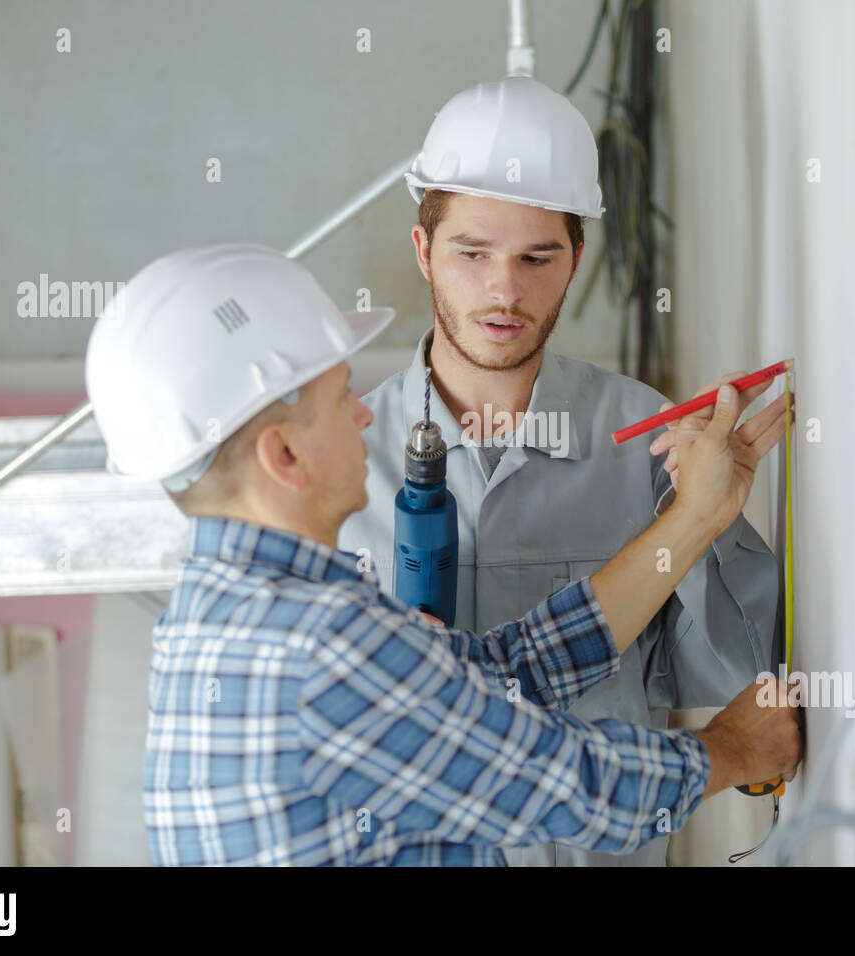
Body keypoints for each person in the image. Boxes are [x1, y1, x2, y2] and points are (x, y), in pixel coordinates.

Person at [84, 241, 800, 866]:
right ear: (285, 454)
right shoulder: (315, 643)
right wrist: (735, 748)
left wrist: (695, 517)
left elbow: (498, 677)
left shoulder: (218, 622)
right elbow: (561, 785)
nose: (366, 413)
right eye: (341, 398)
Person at [338, 75, 786, 866]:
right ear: (424, 252)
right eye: (471, 253)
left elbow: (740, 667)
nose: (503, 289)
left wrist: (707, 519)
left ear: (576, 258)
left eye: (536, 256)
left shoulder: (635, 435)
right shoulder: (345, 468)